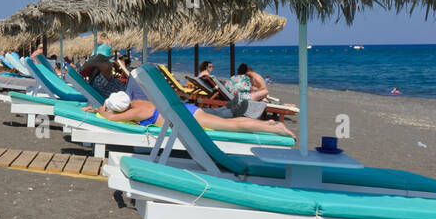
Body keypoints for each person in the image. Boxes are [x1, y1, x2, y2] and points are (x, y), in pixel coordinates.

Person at [88, 89, 292, 139]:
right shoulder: (137, 102)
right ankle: (271, 124)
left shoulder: (134, 112)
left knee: (232, 125)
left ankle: (273, 127)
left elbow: (112, 118)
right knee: (226, 121)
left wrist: (100, 110)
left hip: (188, 118)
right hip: (186, 111)